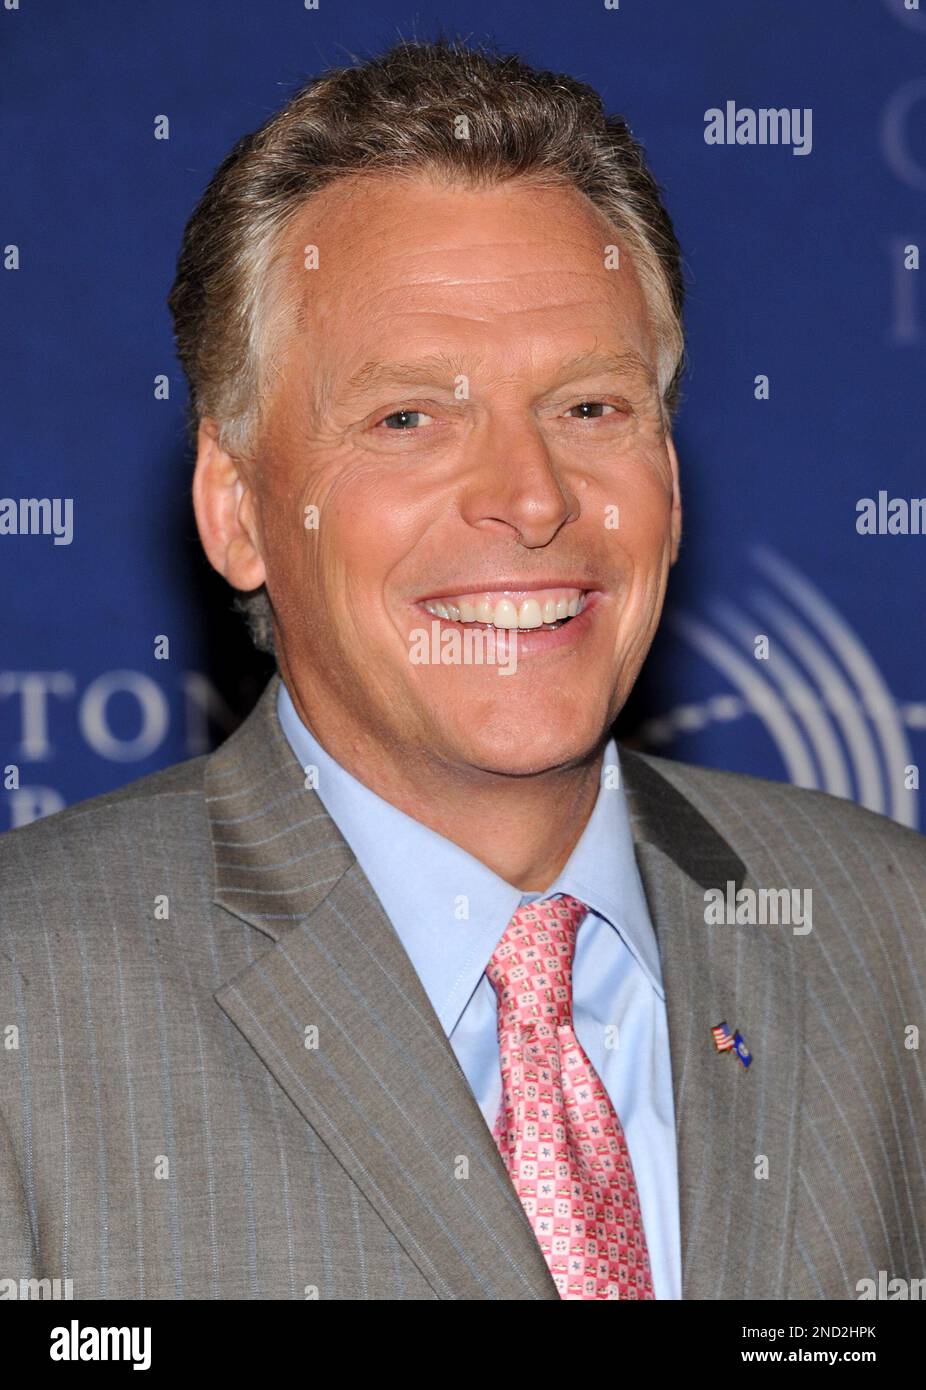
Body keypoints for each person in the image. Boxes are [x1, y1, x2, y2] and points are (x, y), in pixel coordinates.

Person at [1, 38, 924, 1302]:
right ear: (235, 507)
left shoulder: (890, 934)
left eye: (589, 406)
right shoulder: (29, 996)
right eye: (407, 420)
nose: (532, 497)